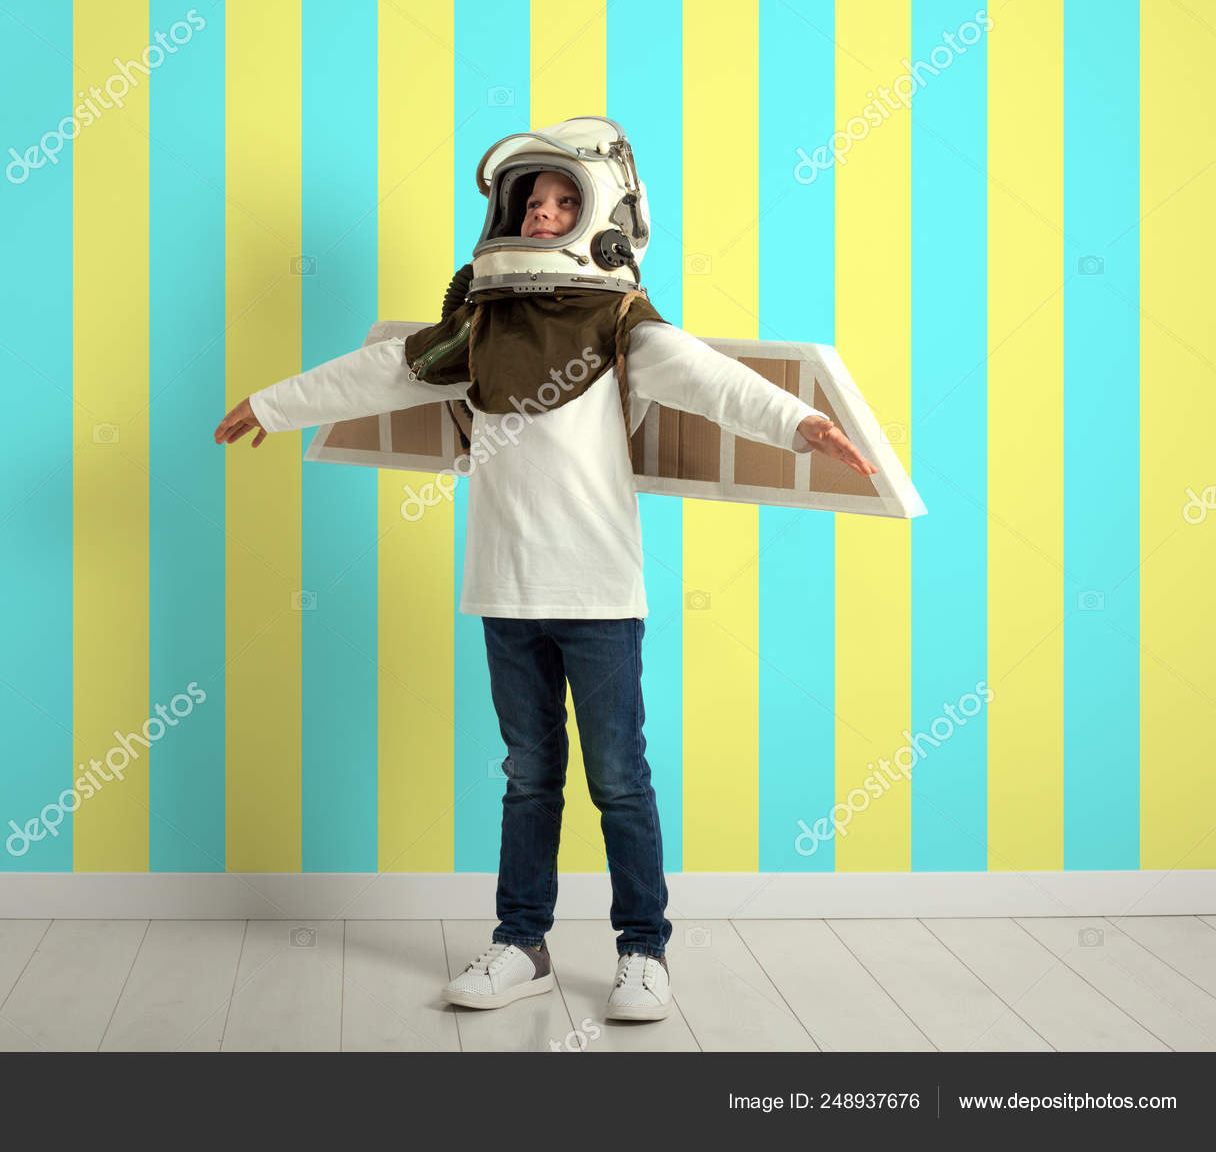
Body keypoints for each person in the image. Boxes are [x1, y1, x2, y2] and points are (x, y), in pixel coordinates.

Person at [214, 118, 875, 1024]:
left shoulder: (619, 321)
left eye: (564, 201)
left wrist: (800, 423)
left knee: (619, 779)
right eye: (531, 201)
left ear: (603, 216)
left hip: (599, 593)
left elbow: (708, 378)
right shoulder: (477, 329)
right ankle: (521, 942)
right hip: (502, 589)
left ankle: (643, 952)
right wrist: (270, 403)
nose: (543, 214)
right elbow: (379, 373)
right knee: (530, 777)